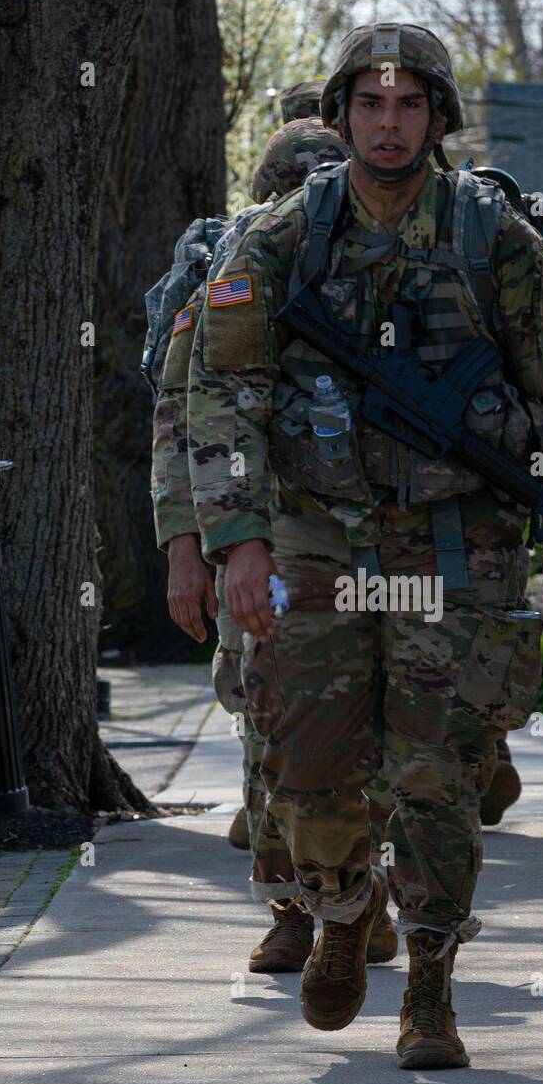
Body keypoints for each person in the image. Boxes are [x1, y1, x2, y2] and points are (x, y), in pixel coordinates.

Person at [186, 23, 543, 1069]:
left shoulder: (492, 240)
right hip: (315, 543)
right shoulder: (284, 239)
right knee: (310, 768)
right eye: (369, 105)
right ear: (341, 115)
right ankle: (339, 912)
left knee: (439, 771)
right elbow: (219, 393)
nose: (388, 124)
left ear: (435, 116)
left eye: (407, 105)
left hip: (454, 546)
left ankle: (428, 980)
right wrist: (236, 541)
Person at [150, 115, 399, 973]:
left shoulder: (387, 275)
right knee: (270, 722)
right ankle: (296, 907)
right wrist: (190, 549)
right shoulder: (234, 279)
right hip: (262, 542)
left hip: (380, 544)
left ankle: (364, 893)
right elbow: (183, 418)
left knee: (385, 735)